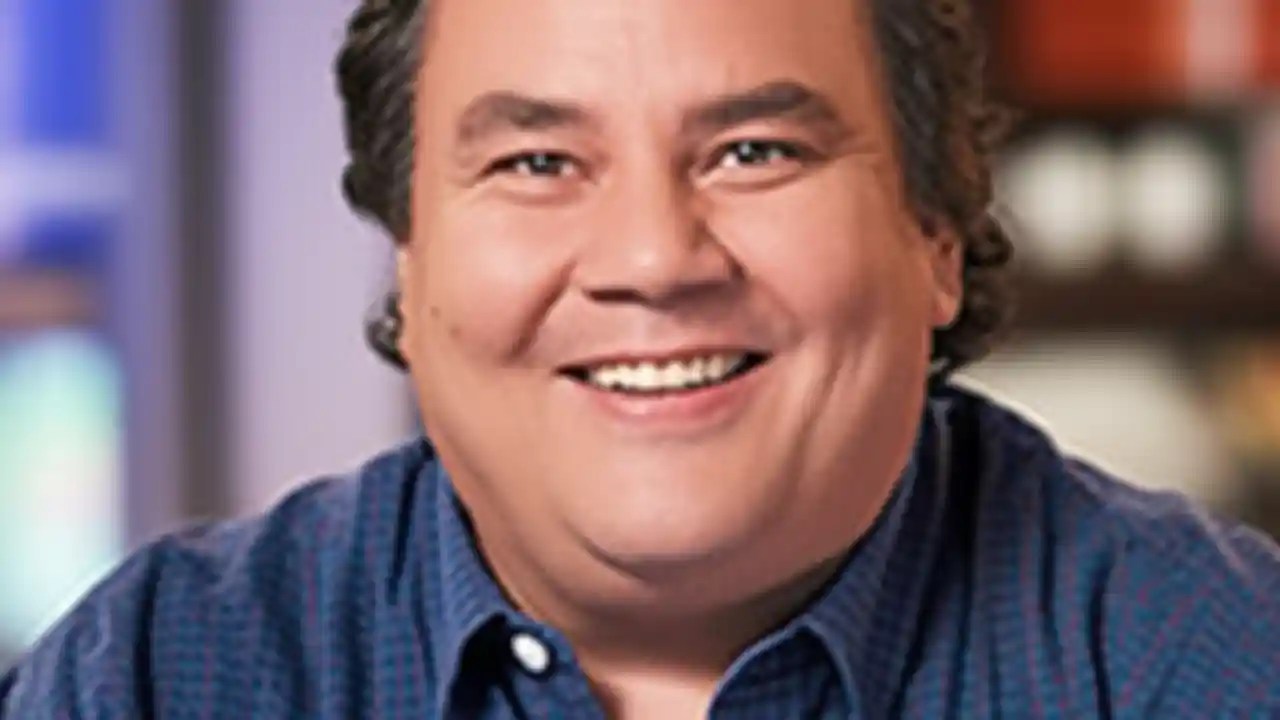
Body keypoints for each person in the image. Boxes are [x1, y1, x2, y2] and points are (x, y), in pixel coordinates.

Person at [4, 0, 1279, 717]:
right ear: (411, 254)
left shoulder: (1202, 663)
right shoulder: (168, 674)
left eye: (754, 152)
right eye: (537, 163)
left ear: (935, 233)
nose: (653, 260)